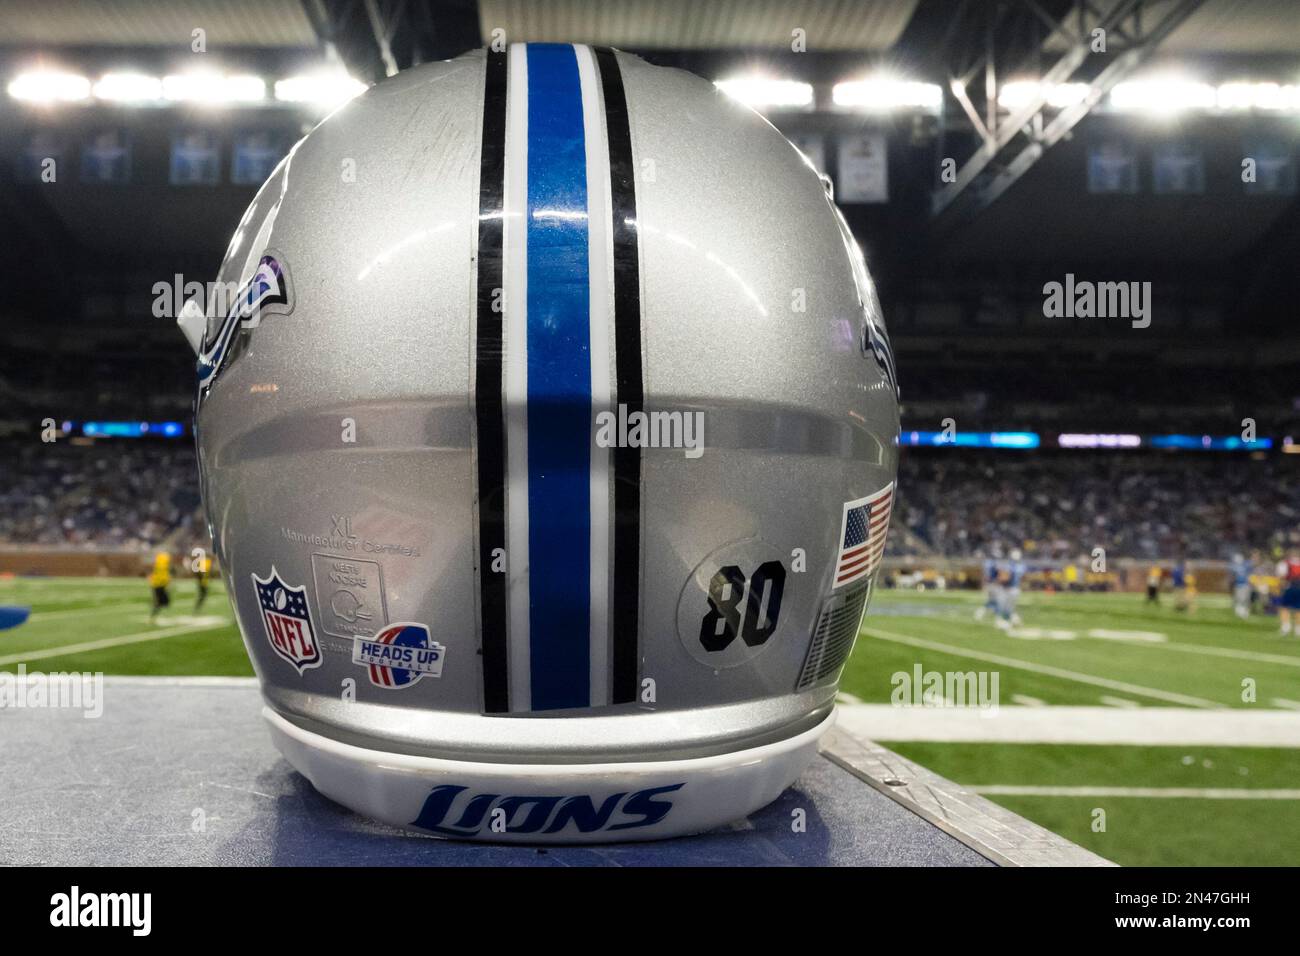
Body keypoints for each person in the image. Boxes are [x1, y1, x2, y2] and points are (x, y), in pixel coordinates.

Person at [996, 548, 1026, 630]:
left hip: (1009, 588)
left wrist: (999, 581)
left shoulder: (1010, 565)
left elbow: (1006, 577)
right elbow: (1023, 577)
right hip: (1016, 588)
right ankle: (1015, 620)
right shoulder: (1021, 566)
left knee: (1005, 607)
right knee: (1010, 607)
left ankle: (1005, 622)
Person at [974, 550, 1003, 622]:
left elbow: (984, 575)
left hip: (988, 584)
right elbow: (998, 574)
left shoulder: (987, 563)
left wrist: (983, 584)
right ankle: (997, 616)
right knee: (997, 601)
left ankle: (981, 612)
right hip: (994, 584)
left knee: (992, 601)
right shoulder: (995, 563)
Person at [1278, 551, 1300, 637]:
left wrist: (1281, 587)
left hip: (1289, 587)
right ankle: (1298, 629)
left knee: (1284, 607)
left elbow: (1282, 577)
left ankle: (1285, 627)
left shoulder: (1285, 563)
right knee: (1298, 609)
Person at [148, 551, 172, 623]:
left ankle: (154, 614)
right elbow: (164, 576)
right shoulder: (162, 565)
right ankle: (153, 616)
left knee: (164, 602)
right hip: (159, 585)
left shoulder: (159, 565)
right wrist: (167, 582)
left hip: (157, 585)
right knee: (160, 602)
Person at [1230, 553, 1252, 620]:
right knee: (1239, 599)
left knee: (1245, 599)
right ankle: (1240, 611)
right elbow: (1233, 576)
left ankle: (1244, 611)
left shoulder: (1246, 565)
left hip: (1245, 584)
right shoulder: (1235, 567)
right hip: (1239, 584)